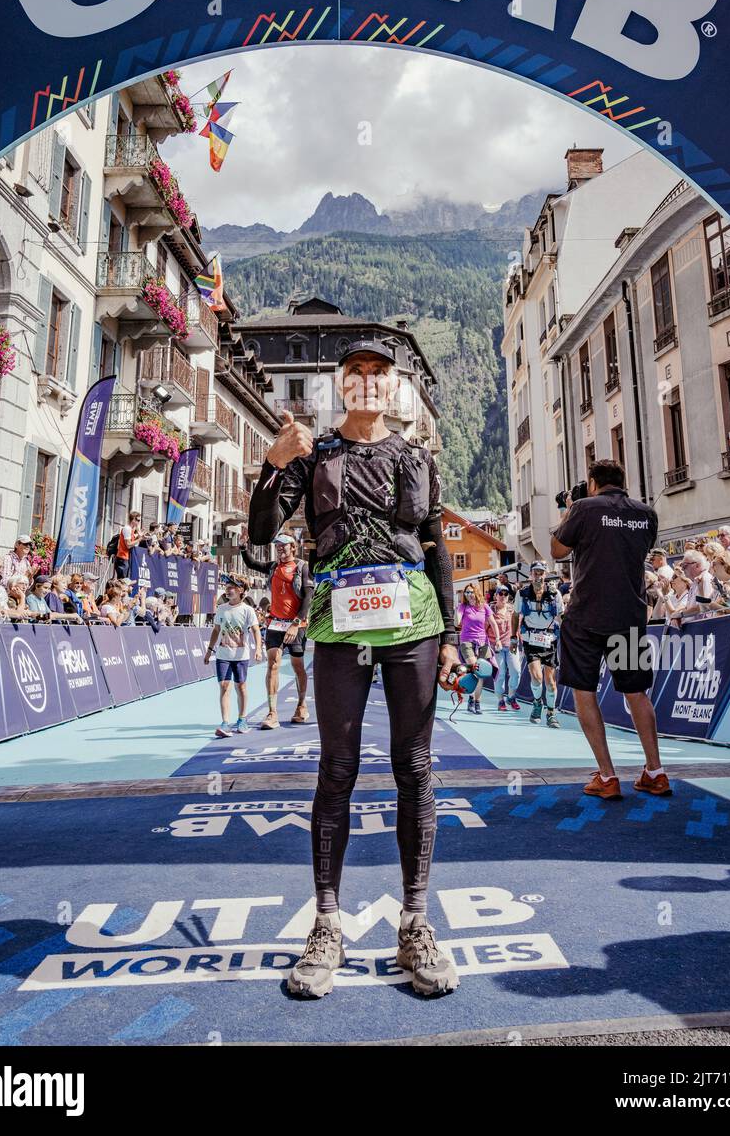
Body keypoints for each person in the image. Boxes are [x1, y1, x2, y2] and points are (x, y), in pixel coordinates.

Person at [248, 341, 460, 1000]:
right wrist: (269, 464)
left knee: (414, 765)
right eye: (356, 373)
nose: (368, 382)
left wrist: (451, 633)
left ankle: (416, 923)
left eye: (379, 374)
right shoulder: (310, 455)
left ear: (394, 388)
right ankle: (327, 925)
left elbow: (435, 549)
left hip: (413, 623)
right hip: (339, 624)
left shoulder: (416, 456)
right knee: (336, 768)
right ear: (339, 386)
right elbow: (260, 531)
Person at [550, 457, 667, 799]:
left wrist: (569, 510)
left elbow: (557, 550)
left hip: (586, 615)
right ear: (622, 480)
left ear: (592, 481)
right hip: (630, 614)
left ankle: (607, 776)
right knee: (637, 693)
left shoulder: (584, 508)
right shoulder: (646, 513)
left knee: (584, 691)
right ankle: (656, 772)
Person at [239, 533, 314, 729]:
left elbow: (308, 597)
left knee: (298, 665)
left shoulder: (301, 567)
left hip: (296, 624)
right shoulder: (273, 567)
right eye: (277, 545)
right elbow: (252, 563)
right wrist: (242, 547)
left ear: (292, 547)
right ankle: (272, 713)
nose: (280, 548)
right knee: (272, 664)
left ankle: (301, 705)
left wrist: (296, 622)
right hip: (275, 624)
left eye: (283, 545)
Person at [203, 578, 262, 736]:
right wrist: (209, 650)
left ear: (241, 590)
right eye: (227, 588)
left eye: (232, 588)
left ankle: (242, 719)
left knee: (241, 687)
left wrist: (258, 649)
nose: (228, 590)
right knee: (223, 686)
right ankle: (225, 723)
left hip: (241, 656)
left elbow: (256, 630)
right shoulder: (221, 609)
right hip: (223, 655)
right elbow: (216, 631)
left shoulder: (247, 610)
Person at [512, 561, 564, 727]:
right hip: (530, 638)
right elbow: (515, 615)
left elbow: (561, 617)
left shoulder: (555, 594)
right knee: (536, 676)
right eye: (535, 572)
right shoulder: (523, 593)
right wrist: (513, 637)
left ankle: (551, 712)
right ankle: (536, 703)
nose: (538, 576)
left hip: (550, 640)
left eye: (541, 573)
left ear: (545, 575)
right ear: (531, 574)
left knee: (550, 681)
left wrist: (568, 635)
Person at [456, 583, 499, 716]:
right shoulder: (463, 606)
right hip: (467, 642)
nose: (468, 594)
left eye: (470, 592)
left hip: (482, 642)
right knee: (476, 668)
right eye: (466, 592)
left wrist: (497, 639)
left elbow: (493, 623)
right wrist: (457, 613)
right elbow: (456, 621)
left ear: (476, 592)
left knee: (481, 674)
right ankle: (472, 698)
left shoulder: (484, 607)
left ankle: (476, 701)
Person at [491, 586, 520, 712]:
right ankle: (500, 700)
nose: (503, 596)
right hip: (496, 646)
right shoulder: (490, 610)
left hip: (511, 645)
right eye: (500, 594)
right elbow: (484, 628)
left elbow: (518, 627)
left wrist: (521, 642)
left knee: (516, 671)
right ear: (496, 596)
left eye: (505, 594)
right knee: (500, 673)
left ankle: (511, 697)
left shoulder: (512, 610)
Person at [114, 512, 142, 580]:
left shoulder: (131, 529)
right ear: (133, 520)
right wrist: (140, 539)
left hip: (125, 558)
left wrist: (139, 535)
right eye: (138, 520)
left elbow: (131, 543)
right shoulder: (127, 529)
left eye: (139, 520)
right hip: (122, 558)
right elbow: (128, 545)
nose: (139, 522)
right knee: (122, 582)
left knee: (125, 582)